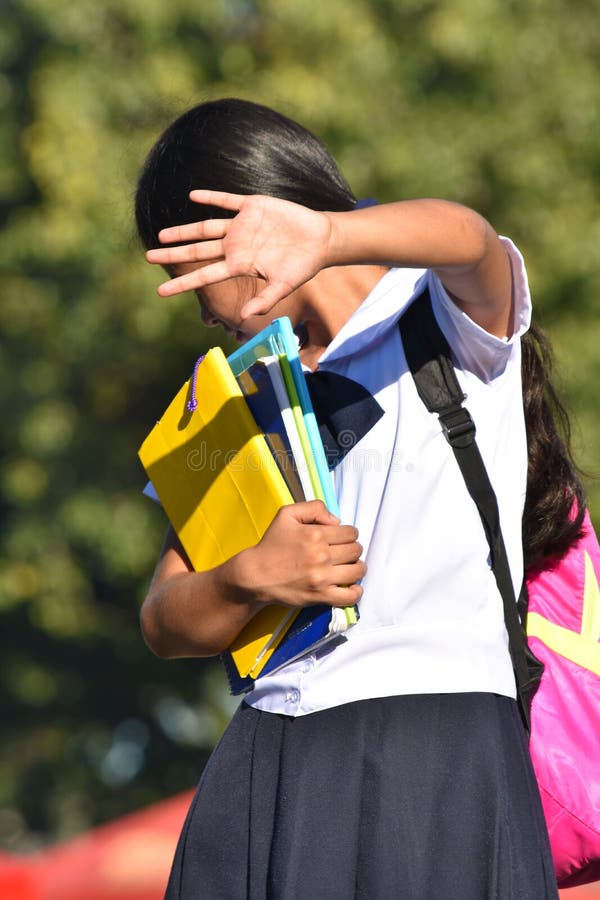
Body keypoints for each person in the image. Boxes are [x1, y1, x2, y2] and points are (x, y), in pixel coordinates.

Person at [134, 98, 582, 899]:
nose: (200, 309)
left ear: (258, 224)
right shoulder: (241, 399)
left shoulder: (441, 318)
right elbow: (163, 618)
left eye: (194, 273)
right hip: (269, 760)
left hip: (433, 752)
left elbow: (471, 239)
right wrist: (247, 577)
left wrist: (330, 234)